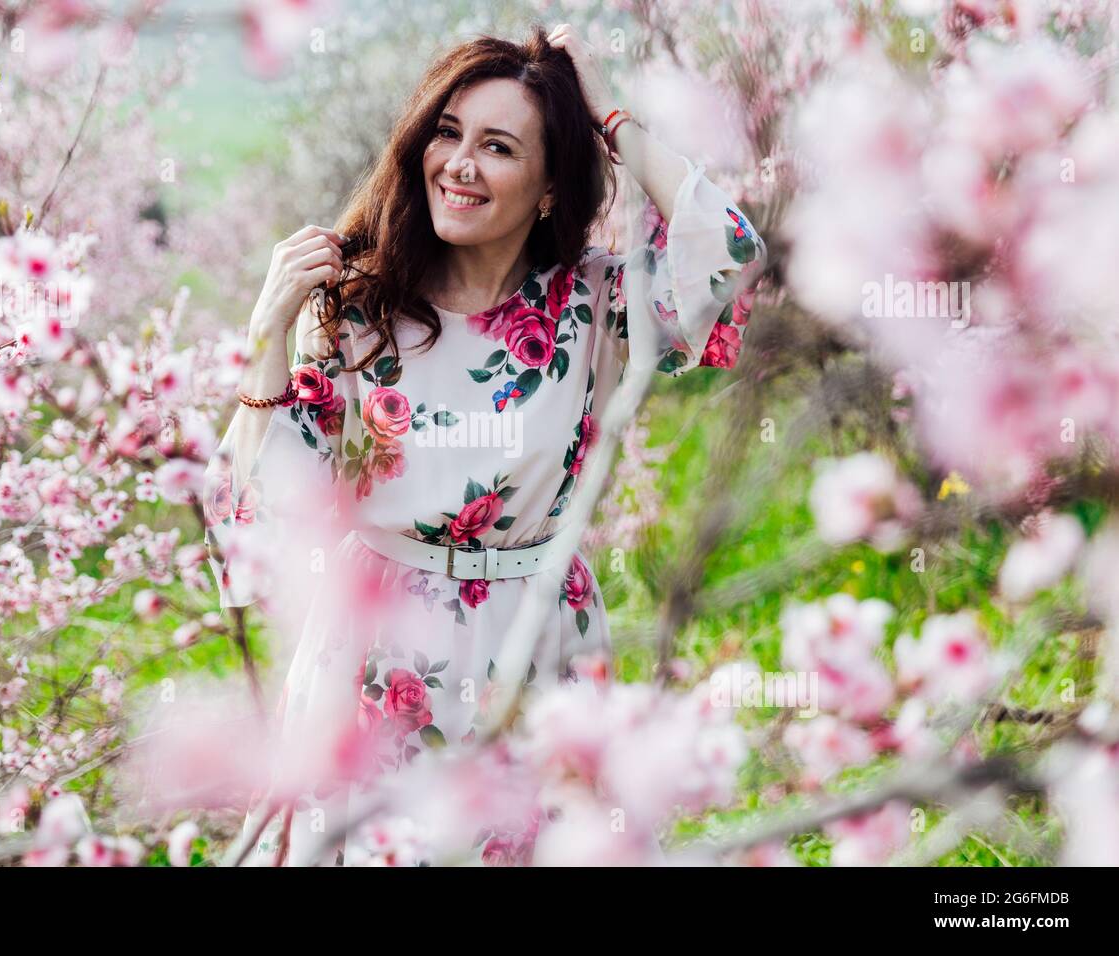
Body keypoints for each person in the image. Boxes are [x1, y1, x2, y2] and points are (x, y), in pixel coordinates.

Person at [202, 22, 766, 866]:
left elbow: (729, 255)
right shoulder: (356, 310)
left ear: (546, 187)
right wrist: (267, 334)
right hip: (376, 659)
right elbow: (253, 540)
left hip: (538, 646)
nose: (459, 164)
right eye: (447, 133)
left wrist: (609, 116)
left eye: (498, 146)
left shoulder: (592, 307)